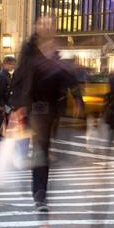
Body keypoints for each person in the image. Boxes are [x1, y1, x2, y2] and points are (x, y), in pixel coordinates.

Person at [13, 17, 79, 212]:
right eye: (43, 23)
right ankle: (40, 194)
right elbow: (19, 77)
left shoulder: (55, 53)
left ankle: (40, 189)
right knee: (41, 148)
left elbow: (67, 76)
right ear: (37, 27)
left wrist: (76, 97)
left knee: (45, 148)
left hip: (52, 108)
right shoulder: (29, 51)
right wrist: (17, 105)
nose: (48, 26)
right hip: (34, 106)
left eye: (51, 24)